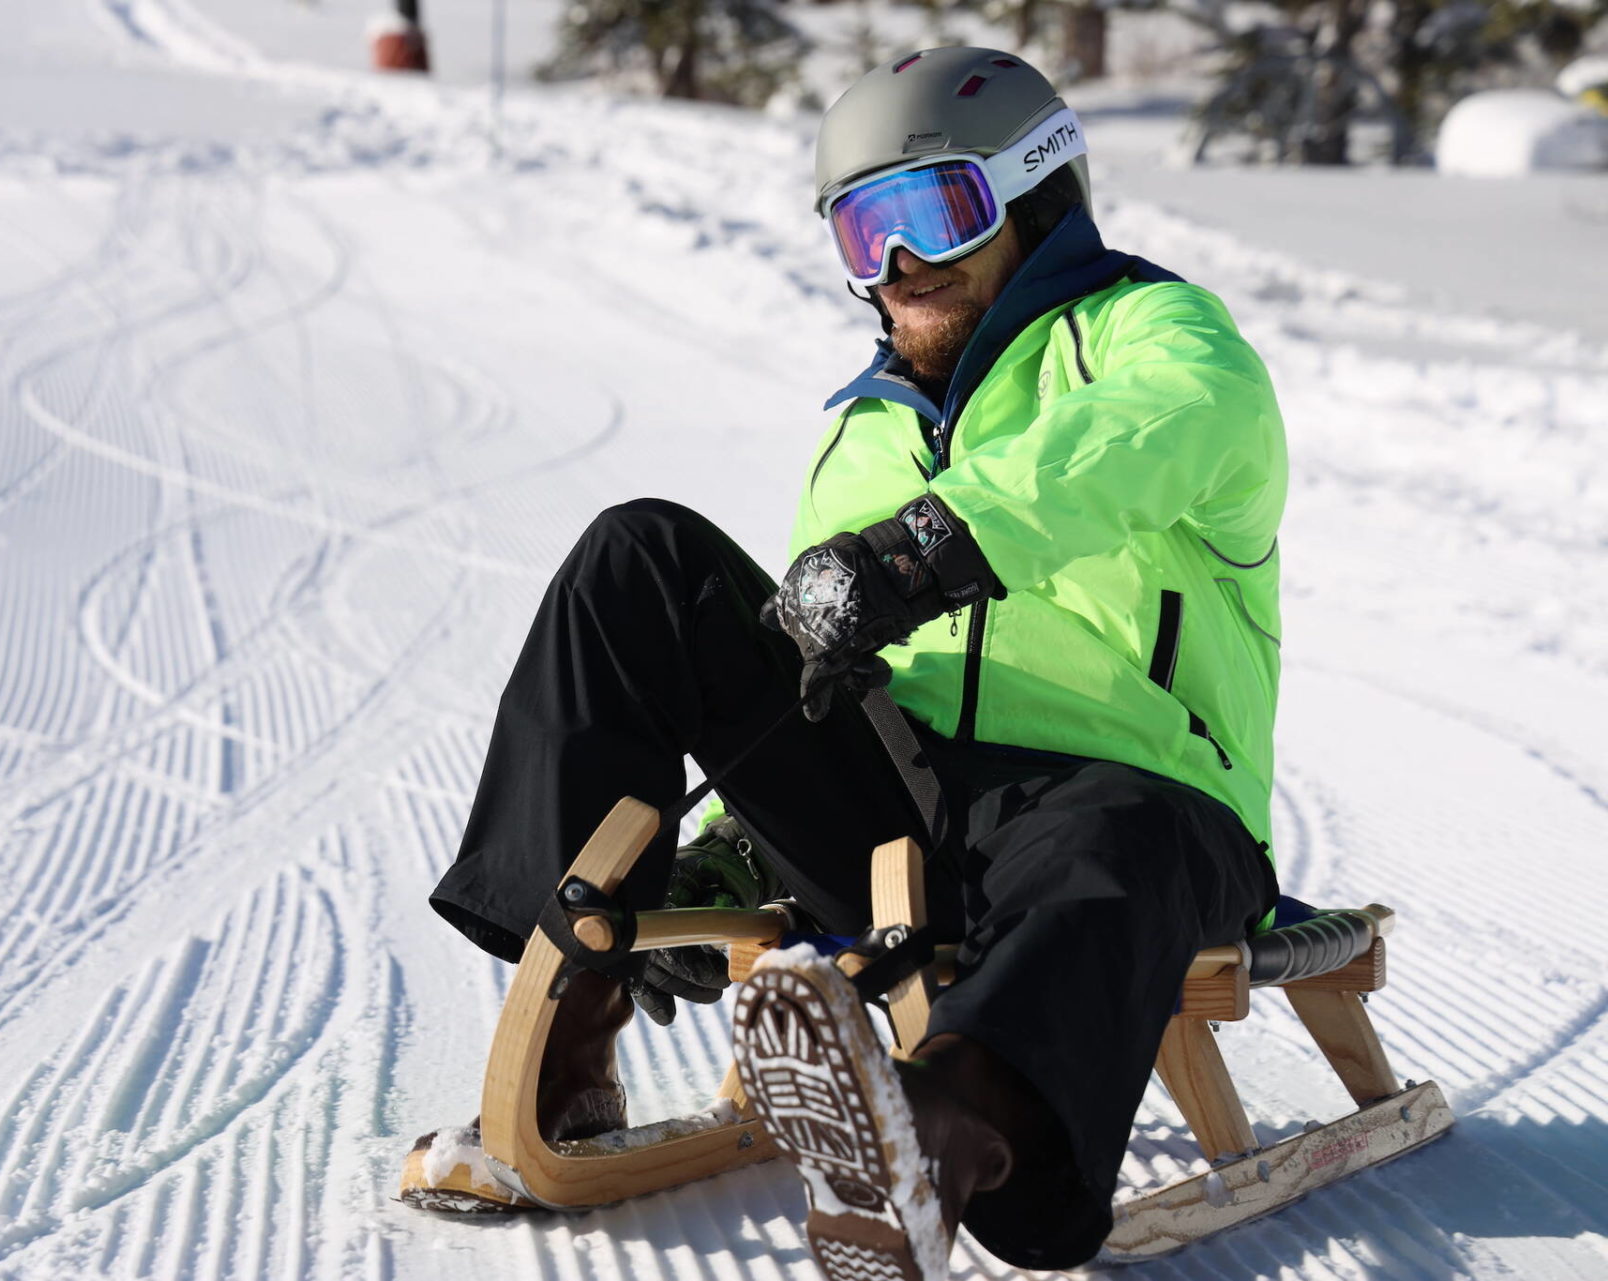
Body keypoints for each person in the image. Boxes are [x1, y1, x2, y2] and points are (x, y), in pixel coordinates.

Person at [429, 46, 1285, 1278]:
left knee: (1111, 847)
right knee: (641, 557)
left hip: (1133, 796)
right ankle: (571, 1039)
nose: (897, 265)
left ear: (1036, 196)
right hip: (903, 815)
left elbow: (1154, 434)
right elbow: (810, 681)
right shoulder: (868, 422)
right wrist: (737, 837)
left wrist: (920, 550)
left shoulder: (1157, 340)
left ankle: (946, 1133)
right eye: (861, 231)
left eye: (934, 213)